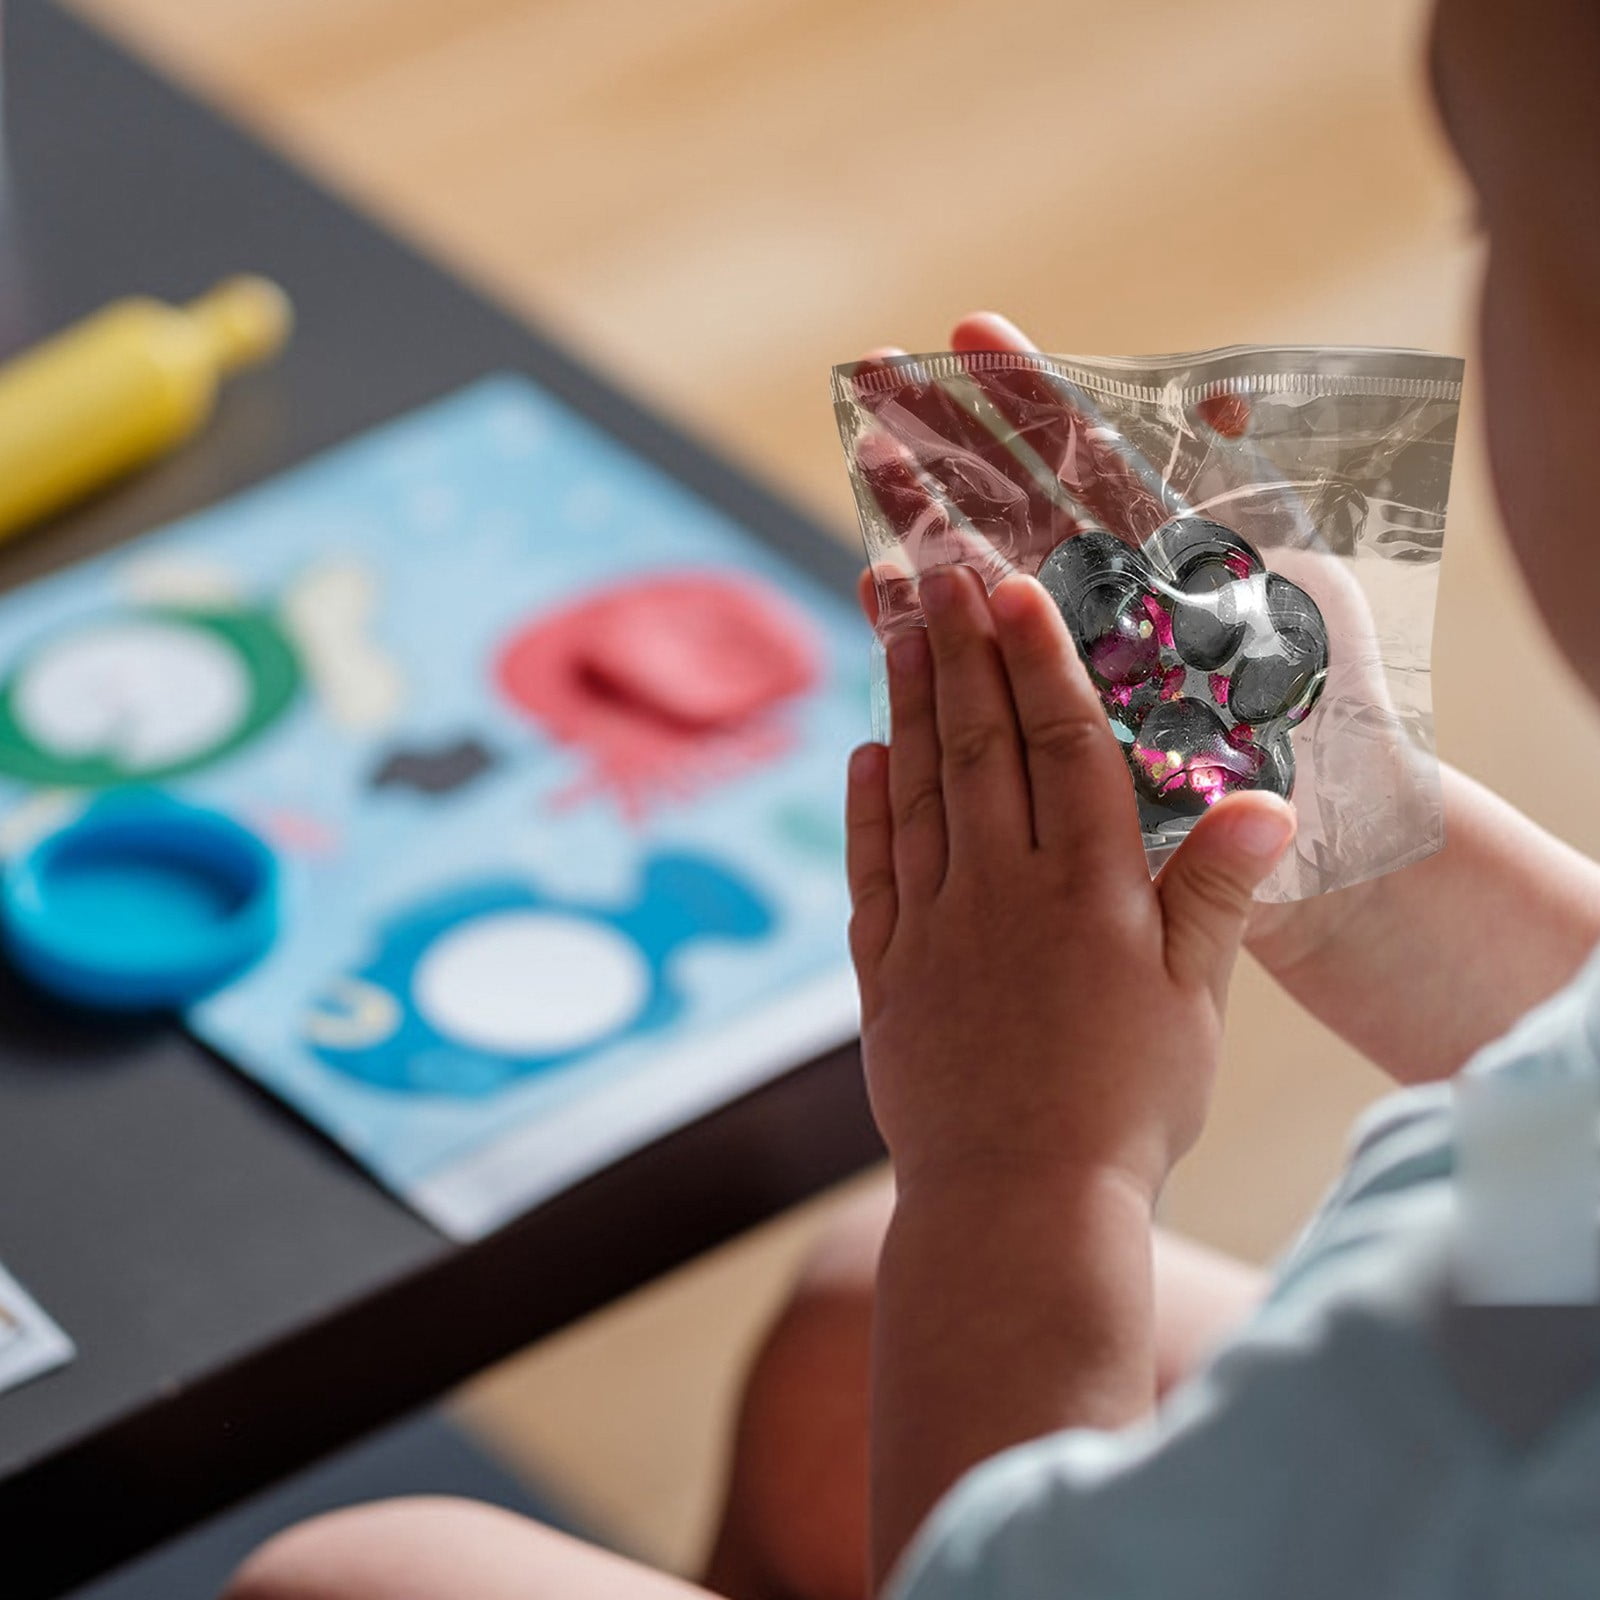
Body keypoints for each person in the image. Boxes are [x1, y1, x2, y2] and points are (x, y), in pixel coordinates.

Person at [224, 0, 1600, 1595]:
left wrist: (1030, 1166)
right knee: (855, 1319)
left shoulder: (1494, 1453)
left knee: (360, 1576)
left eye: (1490, 217)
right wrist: (1353, 843)